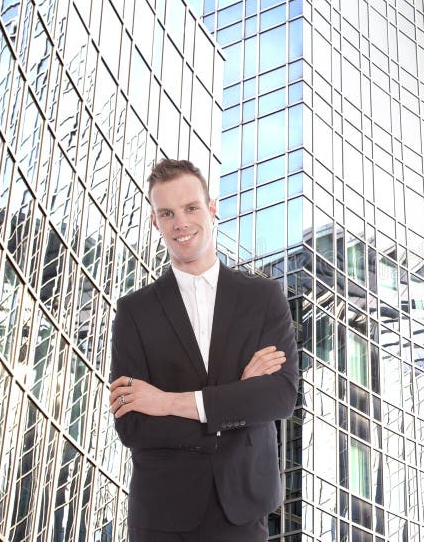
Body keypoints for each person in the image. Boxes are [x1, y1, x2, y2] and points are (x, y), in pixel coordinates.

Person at [108, 159, 298, 541]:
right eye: (167, 213)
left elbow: (279, 397)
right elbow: (133, 424)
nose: (181, 223)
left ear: (212, 209)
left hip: (242, 513)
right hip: (162, 515)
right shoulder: (134, 311)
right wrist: (237, 398)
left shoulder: (263, 297)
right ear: (155, 222)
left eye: (191, 208)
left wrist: (166, 402)